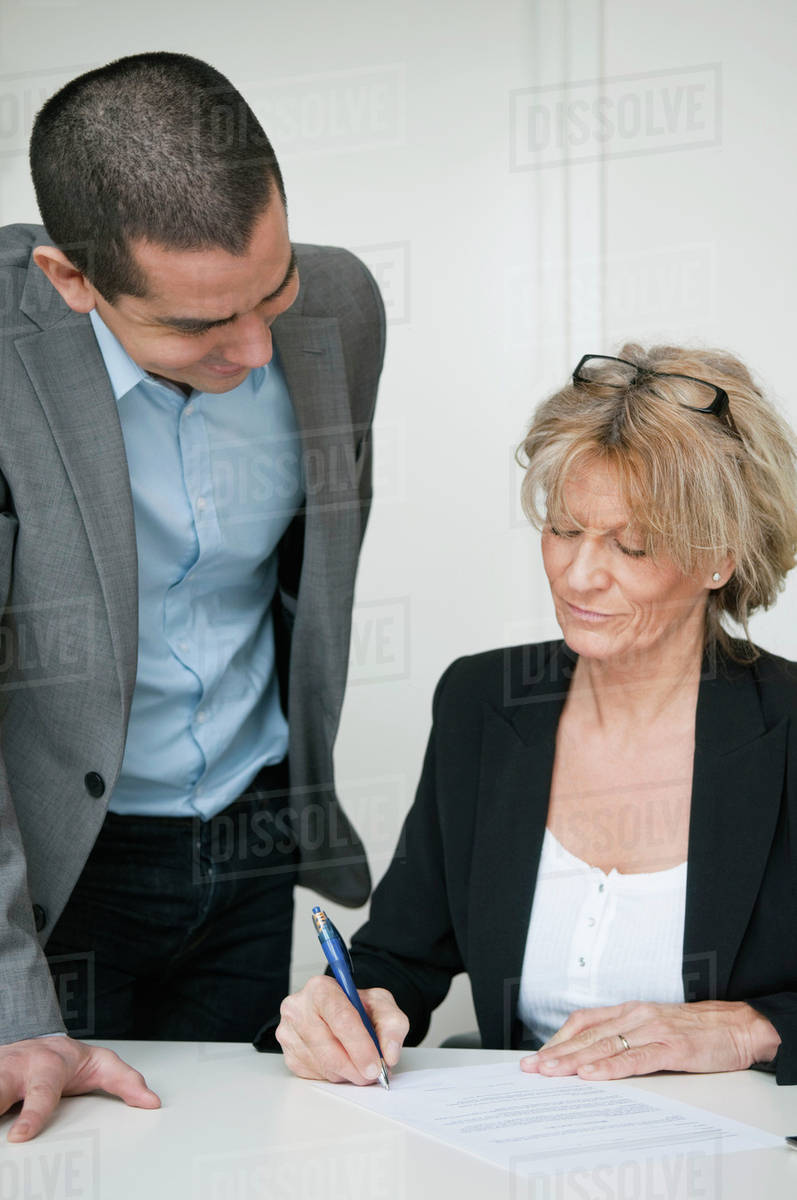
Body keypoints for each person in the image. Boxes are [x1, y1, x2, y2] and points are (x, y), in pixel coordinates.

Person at [0, 52, 384, 1141]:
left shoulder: (344, 304)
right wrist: (8, 998)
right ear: (70, 279)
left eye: (271, 292)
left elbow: (310, 569)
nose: (255, 348)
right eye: (197, 327)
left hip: (254, 827)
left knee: (235, 1155)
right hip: (59, 868)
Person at [277, 345, 797, 1089]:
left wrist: (752, 1028)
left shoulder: (786, 727)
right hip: (521, 1145)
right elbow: (405, 953)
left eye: (632, 545)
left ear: (718, 560)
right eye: (562, 529)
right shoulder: (485, 699)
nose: (579, 575)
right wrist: (352, 1003)